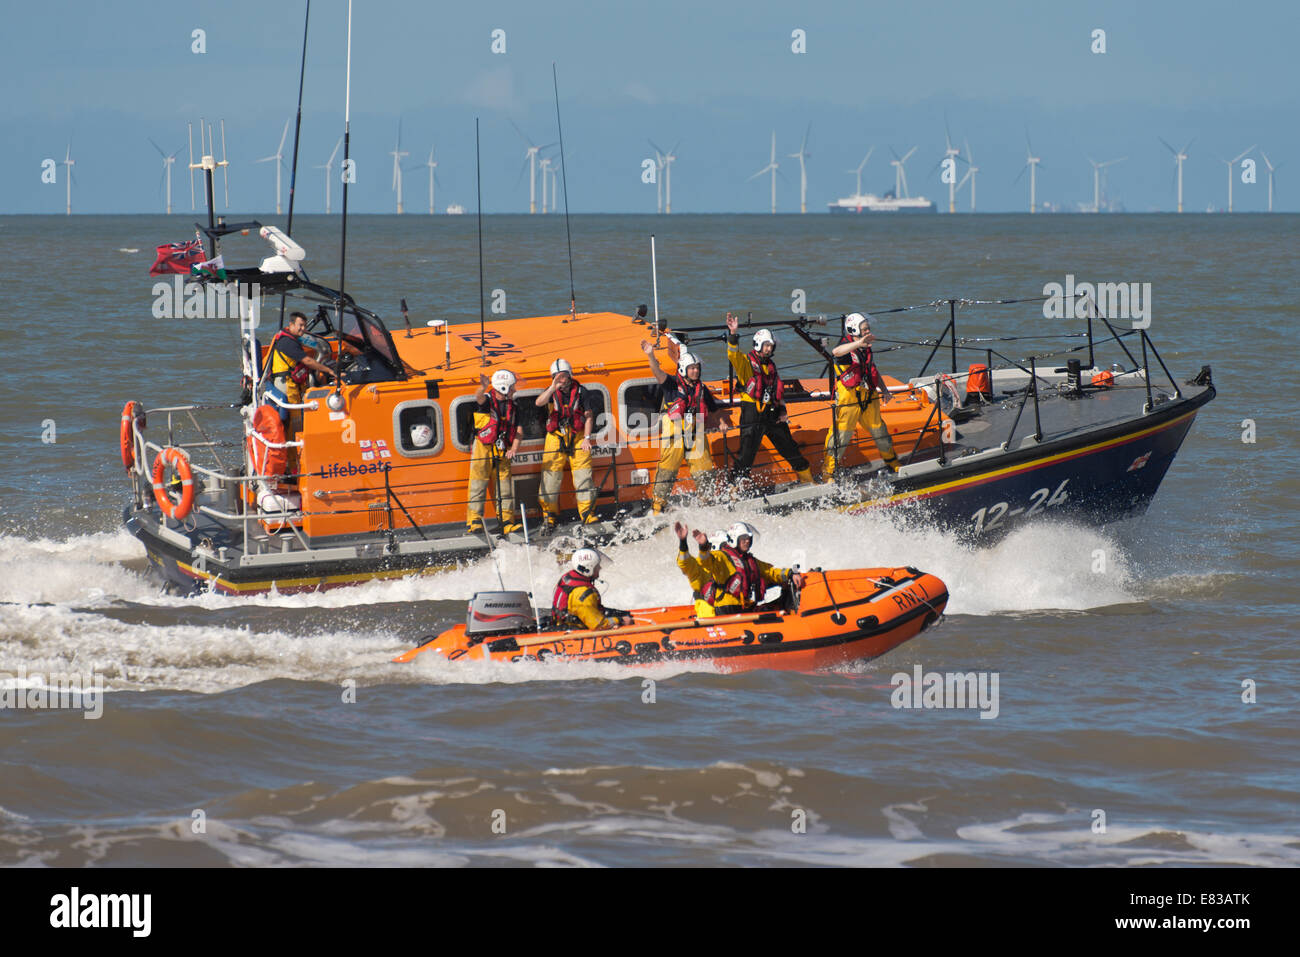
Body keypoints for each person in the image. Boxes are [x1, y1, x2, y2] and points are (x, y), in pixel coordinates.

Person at [725, 313, 814, 485]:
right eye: (766, 345)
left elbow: (777, 391)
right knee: (746, 455)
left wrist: (782, 411)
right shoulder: (746, 364)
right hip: (752, 414)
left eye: (771, 346)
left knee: (789, 447)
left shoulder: (771, 367)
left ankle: (807, 480)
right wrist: (733, 334)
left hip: (771, 413)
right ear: (758, 345)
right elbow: (733, 355)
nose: (768, 349)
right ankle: (734, 490)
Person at [642, 341, 728, 514]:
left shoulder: (701, 388)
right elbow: (657, 372)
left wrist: (721, 422)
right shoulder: (671, 384)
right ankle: (658, 507)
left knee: (704, 469)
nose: (695, 371)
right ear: (683, 369)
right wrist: (650, 355)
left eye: (697, 368)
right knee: (667, 470)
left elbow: (714, 409)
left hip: (696, 431)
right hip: (674, 432)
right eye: (692, 368)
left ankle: (707, 502)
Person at [823, 312, 900, 478]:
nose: (867, 332)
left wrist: (884, 390)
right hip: (849, 399)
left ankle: (892, 461)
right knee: (840, 436)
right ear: (854, 330)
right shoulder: (846, 346)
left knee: (880, 431)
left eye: (868, 329)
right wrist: (859, 343)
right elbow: (835, 352)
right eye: (864, 329)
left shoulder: (866, 348)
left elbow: (873, 370)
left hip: (869, 397)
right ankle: (828, 473)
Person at [535, 358, 598, 530]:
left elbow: (589, 415)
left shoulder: (582, 392)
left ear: (569, 375)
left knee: (583, 476)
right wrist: (552, 387)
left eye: (563, 376)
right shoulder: (551, 392)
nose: (561, 380)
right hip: (555, 437)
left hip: (577, 436)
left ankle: (587, 514)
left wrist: (587, 438)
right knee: (550, 477)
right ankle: (549, 515)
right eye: (557, 376)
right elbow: (539, 403)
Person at [466, 369, 522, 535]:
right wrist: (482, 387)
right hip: (483, 448)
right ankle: (474, 522)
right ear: (504, 388)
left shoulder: (515, 407)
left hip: (502, 450)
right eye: (512, 387)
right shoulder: (487, 402)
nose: (514, 390)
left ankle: (506, 521)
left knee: (505, 487)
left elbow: (519, 431)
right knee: (478, 484)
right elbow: (478, 397)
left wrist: (514, 449)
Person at [708, 521, 805, 613]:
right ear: (734, 539)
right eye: (744, 538)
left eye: (749, 538)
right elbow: (706, 561)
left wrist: (790, 573)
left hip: (744, 607)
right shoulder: (722, 556)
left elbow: (770, 571)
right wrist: (703, 547)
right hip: (727, 609)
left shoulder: (750, 560)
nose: (747, 541)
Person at [265, 311, 337, 424]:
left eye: (305, 326)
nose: (303, 329)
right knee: (295, 417)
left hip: (289, 383)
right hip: (286, 385)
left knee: (296, 414)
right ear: (291, 324)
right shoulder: (288, 343)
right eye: (300, 325)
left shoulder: (290, 338)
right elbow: (307, 361)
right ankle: (295, 438)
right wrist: (329, 370)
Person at [552, 548, 633, 630]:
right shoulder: (583, 594)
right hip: (576, 629)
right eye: (597, 566)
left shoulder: (568, 577)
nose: (600, 568)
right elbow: (598, 625)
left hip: (568, 622)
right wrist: (620, 620)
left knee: (622, 614)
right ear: (588, 569)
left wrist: (619, 614)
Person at [673, 521, 739, 617]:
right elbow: (685, 563)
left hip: (731, 611)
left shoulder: (732, 565)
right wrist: (683, 542)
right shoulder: (701, 568)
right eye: (725, 547)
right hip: (709, 615)